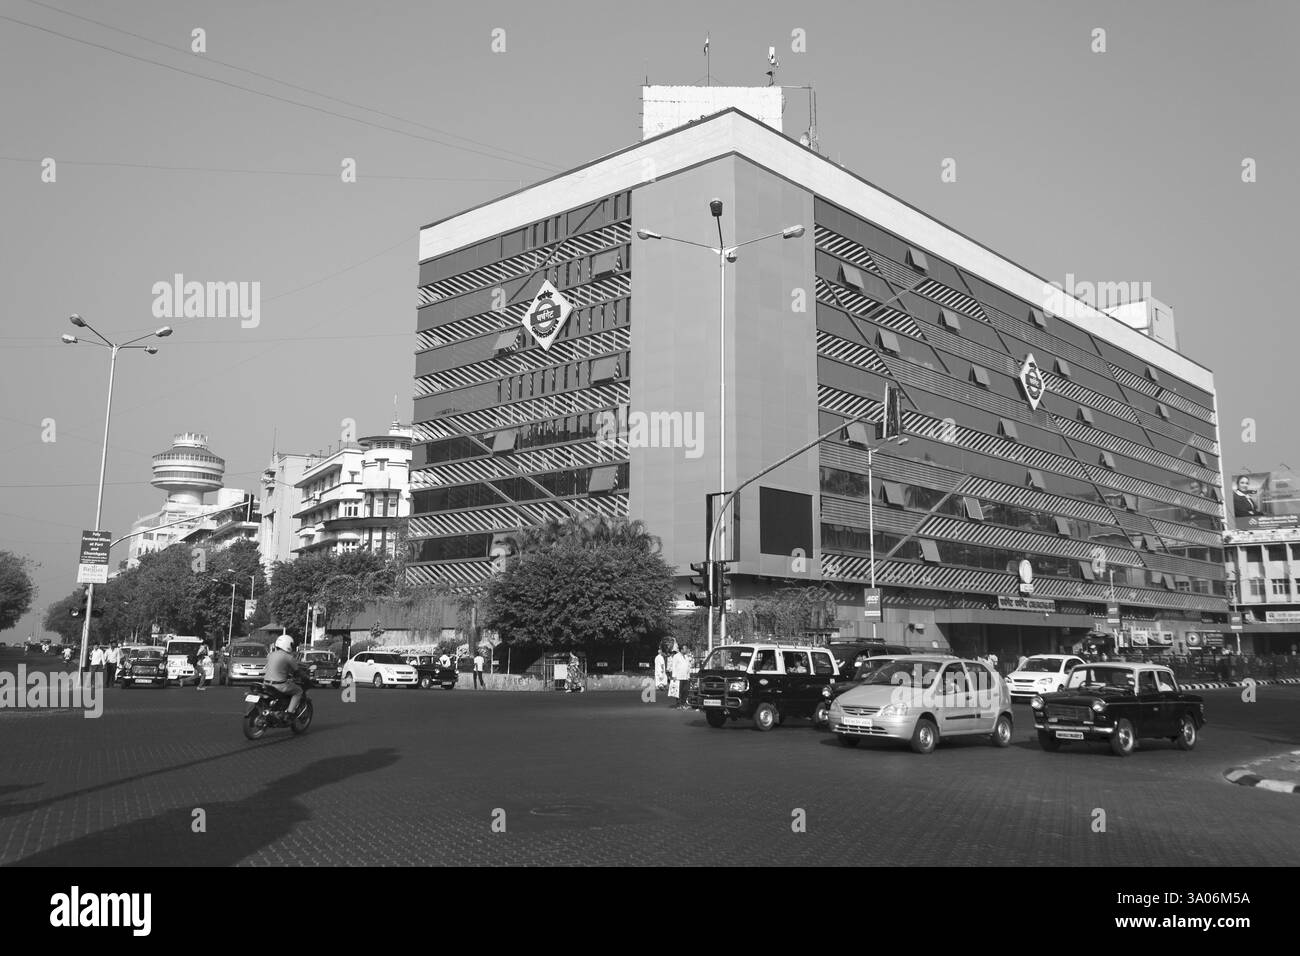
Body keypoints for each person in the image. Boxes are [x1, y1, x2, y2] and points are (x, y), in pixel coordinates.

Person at [265, 635, 304, 716]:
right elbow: (297, 671)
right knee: (298, 691)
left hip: (266, 684)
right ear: (288, 645)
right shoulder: (288, 657)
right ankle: (289, 713)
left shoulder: (270, 655)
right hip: (279, 685)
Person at [669, 645, 691, 710]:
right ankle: (679, 705)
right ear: (681, 650)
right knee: (679, 692)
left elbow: (688, 667)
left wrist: (688, 676)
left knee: (686, 691)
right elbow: (674, 666)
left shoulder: (686, 657)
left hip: (685, 677)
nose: (686, 650)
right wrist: (674, 676)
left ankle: (683, 704)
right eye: (685, 648)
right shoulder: (676, 656)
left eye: (686, 648)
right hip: (678, 677)